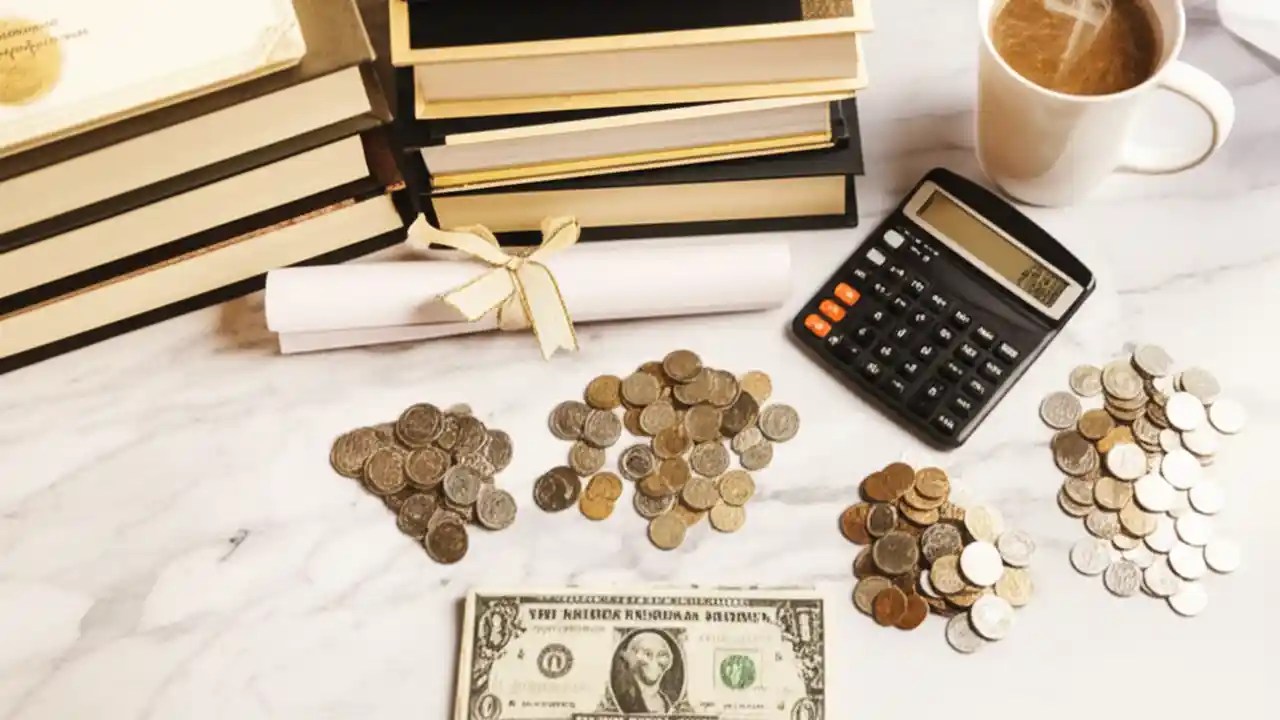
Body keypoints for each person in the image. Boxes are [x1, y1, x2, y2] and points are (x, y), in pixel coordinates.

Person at [611, 631, 678, 714]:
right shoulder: (624, 700)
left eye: (662, 654)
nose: (655, 661)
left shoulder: (667, 702)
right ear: (632, 659)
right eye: (648, 654)